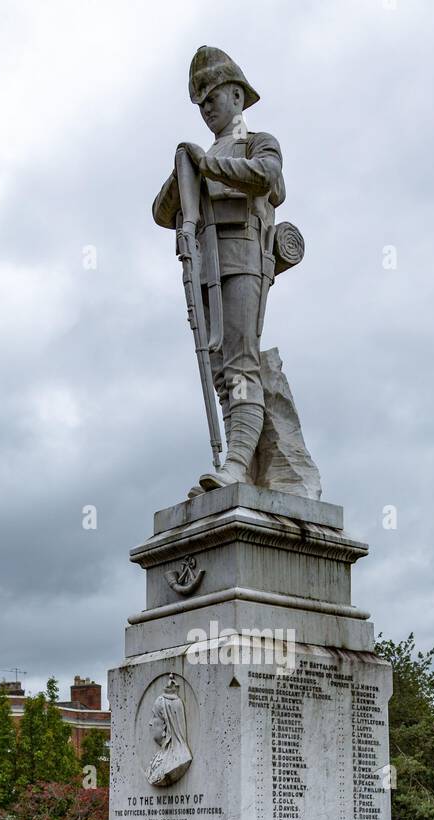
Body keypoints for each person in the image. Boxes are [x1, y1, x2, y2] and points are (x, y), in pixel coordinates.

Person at [153, 47, 285, 492]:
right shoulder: (196, 158)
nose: (207, 109)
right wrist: (183, 170)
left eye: (212, 97)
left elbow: (267, 178)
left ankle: (236, 464)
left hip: (245, 255)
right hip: (206, 265)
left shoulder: (258, 143)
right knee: (219, 372)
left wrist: (204, 164)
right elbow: (160, 210)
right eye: (200, 103)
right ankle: (235, 461)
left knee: (241, 365)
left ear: (237, 94)